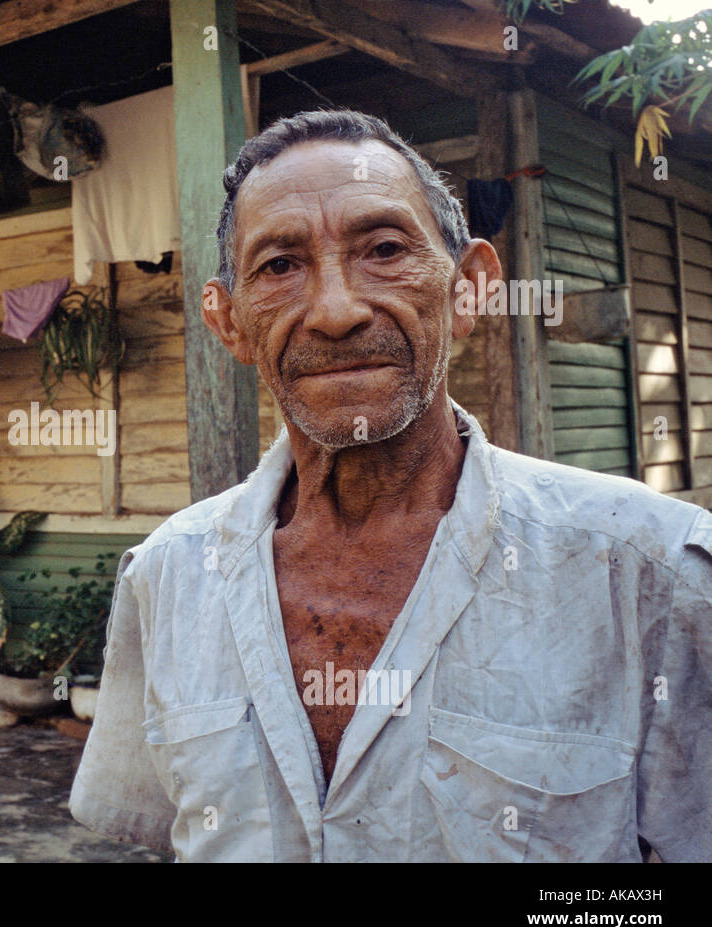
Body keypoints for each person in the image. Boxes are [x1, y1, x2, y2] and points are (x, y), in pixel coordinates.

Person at [69, 109, 711, 862]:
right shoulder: (168, 576)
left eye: (383, 249)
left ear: (469, 289)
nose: (337, 311)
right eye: (279, 266)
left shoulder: (653, 571)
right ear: (229, 323)